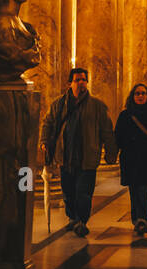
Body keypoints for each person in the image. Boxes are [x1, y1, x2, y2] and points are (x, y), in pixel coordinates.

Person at [40, 67, 117, 238]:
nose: (81, 83)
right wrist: (44, 141)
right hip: (65, 156)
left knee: (84, 192)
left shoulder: (97, 106)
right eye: (77, 80)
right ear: (70, 83)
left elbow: (106, 130)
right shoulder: (59, 104)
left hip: (87, 156)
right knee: (68, 191)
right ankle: (72, 218)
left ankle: (81, 221)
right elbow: (48, 123)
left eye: (84, 80)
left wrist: (111, 152)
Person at [114, 83, 147, 237]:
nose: (140, 96)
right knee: (134, 191)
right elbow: (118, 136)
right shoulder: (125, 115)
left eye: (143, 93)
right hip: (130, 159)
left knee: (144, 190)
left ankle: (142, 220)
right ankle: (137, 219)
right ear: (132, 96)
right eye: (137, 93)